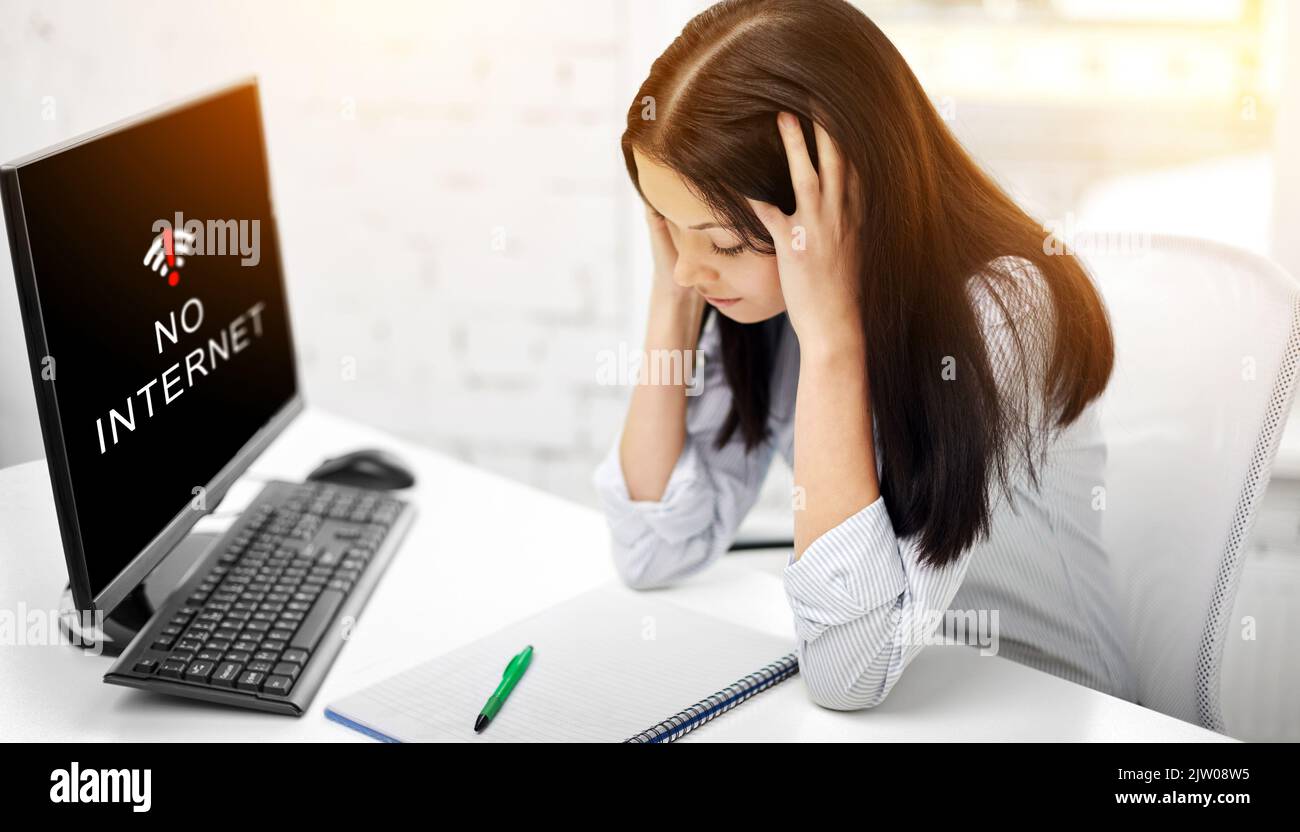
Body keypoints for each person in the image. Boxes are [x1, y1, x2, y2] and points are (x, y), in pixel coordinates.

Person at [593, 0, 1136, 709]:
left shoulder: (1003, 310)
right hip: (901, 708)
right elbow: (649, 549)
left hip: (1039, 702)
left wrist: (832, 344)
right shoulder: (757, 302)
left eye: (722, 242)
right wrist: (672, 299)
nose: (693, 267)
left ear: (845, 201)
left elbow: (847, 675)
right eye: (669, 228)